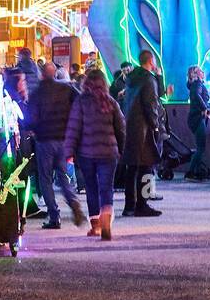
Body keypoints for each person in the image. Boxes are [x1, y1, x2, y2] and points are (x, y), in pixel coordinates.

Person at [64, 68, 127, 239]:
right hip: (109, 152)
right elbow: (121, 128)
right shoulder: (111, 102)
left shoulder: (80, 102)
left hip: (87, 153)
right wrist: (120, 149)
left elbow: (73, 128)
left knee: (91, 188)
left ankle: (96, 225)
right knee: (107, 188)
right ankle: (106, 214)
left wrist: (69, 151)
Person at [28, 62, 87, 229]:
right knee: (63, 176)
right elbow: (79, 101)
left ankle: (54, 216)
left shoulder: (37, 93)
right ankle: (73, 202)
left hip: (44, 140)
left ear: (42, 74)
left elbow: (30, 118)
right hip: (63, 140)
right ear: (54, 74)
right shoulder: (66, 89)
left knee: (45, 179)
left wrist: (33, 129)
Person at [122, 49, 163, 217]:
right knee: (147, 166)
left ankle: (129, 205)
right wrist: (155, 126)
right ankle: (142, 204)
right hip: (144, 129)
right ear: (151, 61)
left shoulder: (132, 79)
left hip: (130, 127)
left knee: (131, 167)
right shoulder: (149, 80)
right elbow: (151, 104)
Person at [184, 65, 210, 181]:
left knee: (200, 146)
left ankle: (197, 171)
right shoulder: (198, 84)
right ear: (196, 74)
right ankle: (191, 172)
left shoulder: (194, 85)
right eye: (201, 70)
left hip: (195, 118)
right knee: (201, 147)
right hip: (198, 118)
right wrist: (206, 109)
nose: (203, 72)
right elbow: (197, 96)